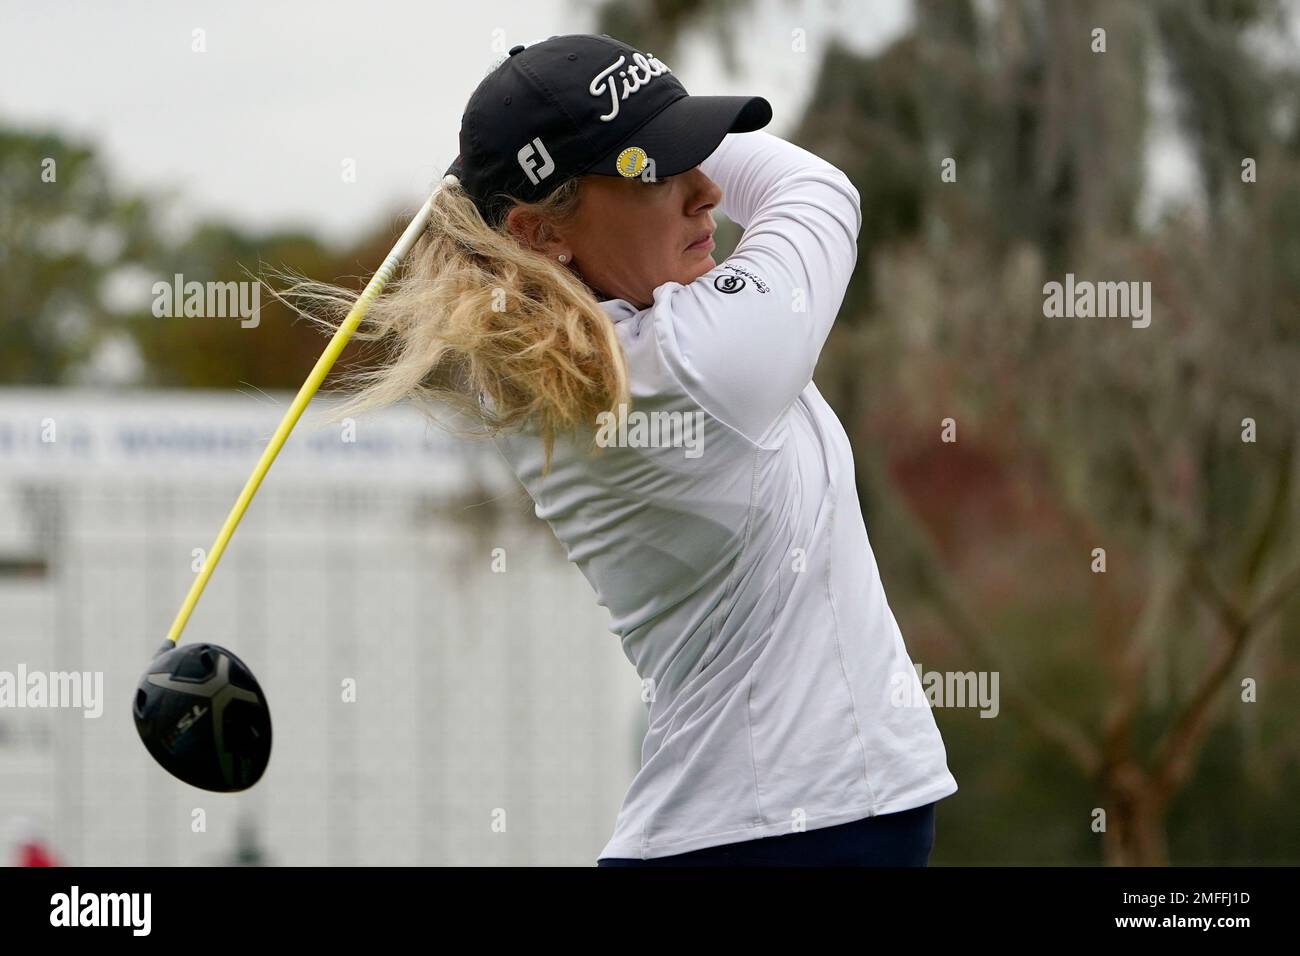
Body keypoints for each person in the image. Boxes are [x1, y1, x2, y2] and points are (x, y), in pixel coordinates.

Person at [288, 32, 957, 865]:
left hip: (765, 830)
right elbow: (818, 188)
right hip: (786, 834)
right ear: (537, 233)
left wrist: (639, 129)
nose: (707, 190)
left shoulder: (552, 354)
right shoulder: (694, 363)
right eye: (657, 171)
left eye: (698, 155)